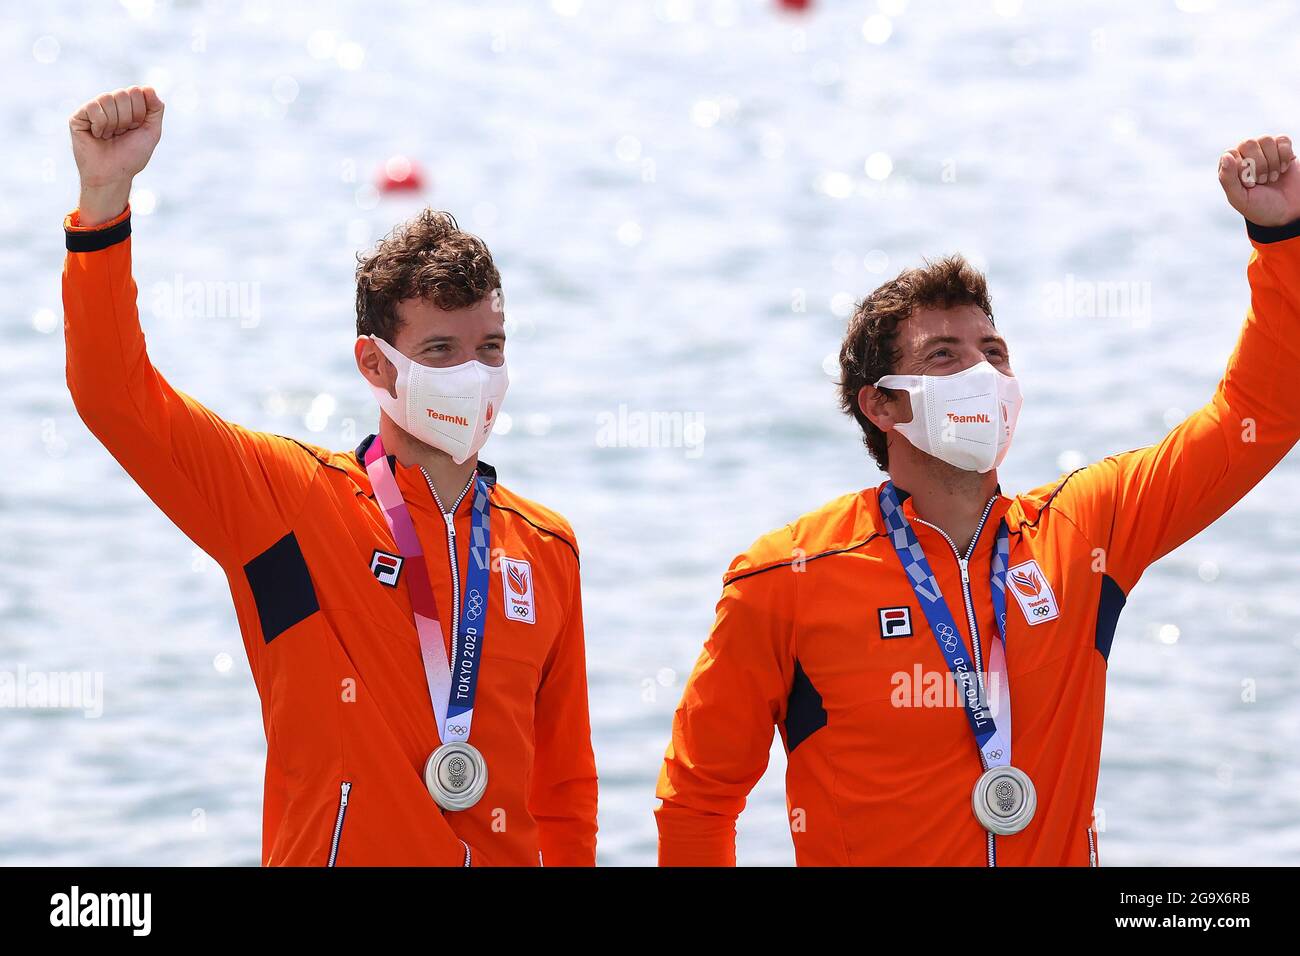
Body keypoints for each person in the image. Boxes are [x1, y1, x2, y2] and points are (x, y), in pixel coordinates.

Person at [655, 134, 1300, 866]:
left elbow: (1263, 413)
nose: (982, 373)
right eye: (945, 356)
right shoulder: (785, 578)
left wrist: (1280, 238)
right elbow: (698, 801)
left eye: (993, 352)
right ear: (883, 406)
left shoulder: (1087, 529)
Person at [63, 86, 597, 866]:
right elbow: (115, 396)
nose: (475, 375)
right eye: (442, 351)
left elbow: (567, 795)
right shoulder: (283, 499)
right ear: (375, 364)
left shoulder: (547, 547)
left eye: (491, 348)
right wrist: (103, 202)